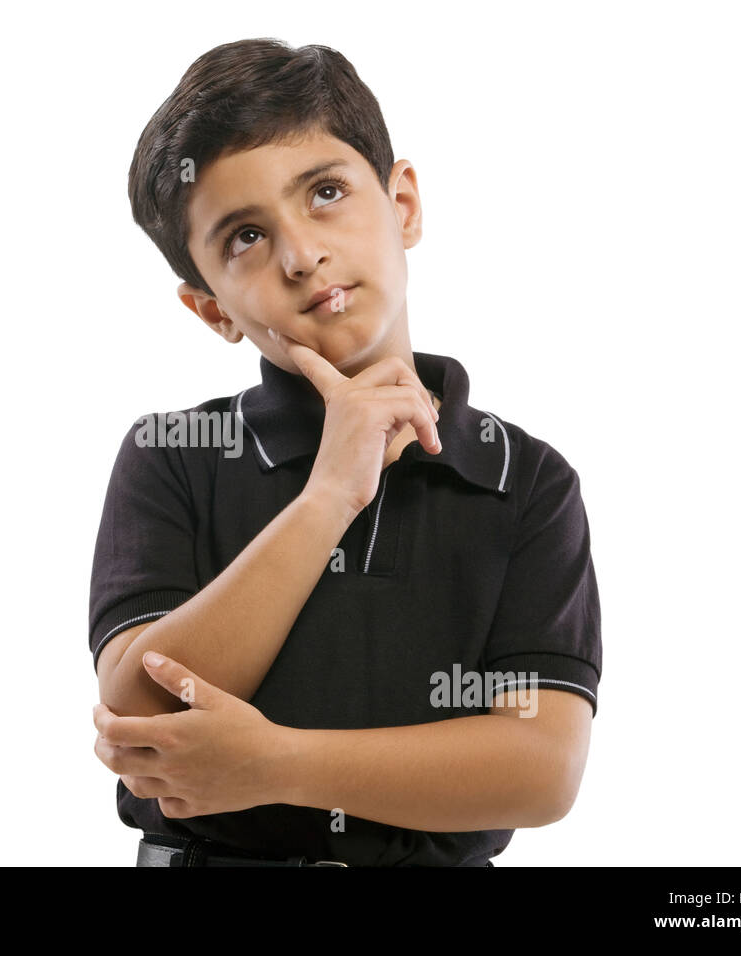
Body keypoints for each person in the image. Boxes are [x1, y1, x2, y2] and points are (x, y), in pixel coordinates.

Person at [88, 37, 601, 867]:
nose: (300, 255)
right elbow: (141, 714)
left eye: (325, 192)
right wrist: (328, 495)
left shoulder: (526, 481)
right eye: (246, 237)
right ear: (211, 308)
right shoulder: (173, 456)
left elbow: (541, 768)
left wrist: (273, 765)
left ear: (402, 203)